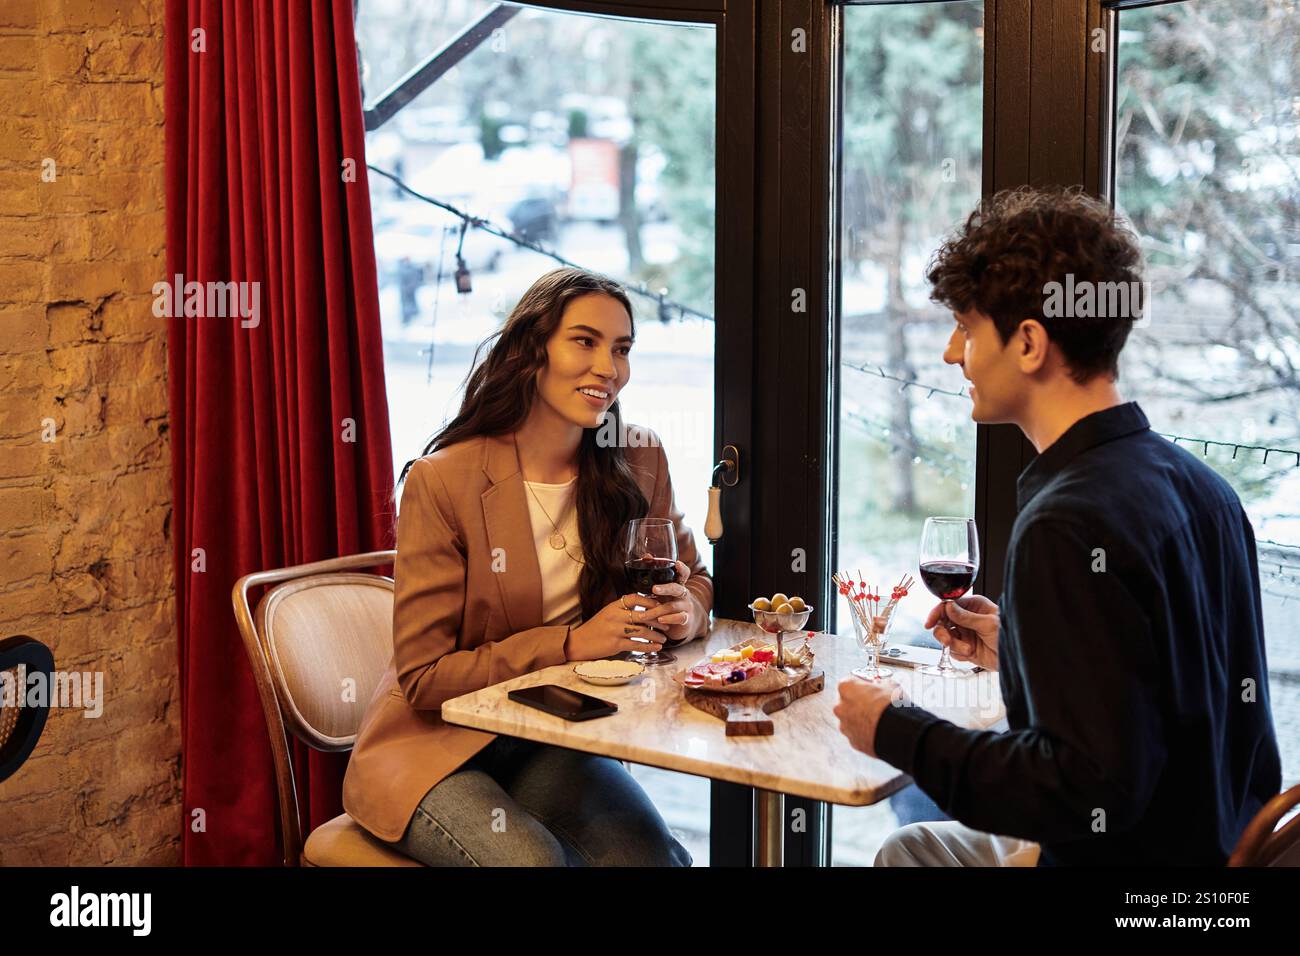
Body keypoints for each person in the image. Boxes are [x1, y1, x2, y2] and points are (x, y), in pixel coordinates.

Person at [833, 186, 1282, 866]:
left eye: (966, 327)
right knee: (916, 846)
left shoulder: (1066, 524)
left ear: (1030, 344)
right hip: (1218, 850)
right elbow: (1171, 692)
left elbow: (1081, 788)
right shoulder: (1204, 489)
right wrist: (1020, 647)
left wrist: (896, 730)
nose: (954, 354)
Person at [343, 268, 712, 866]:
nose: (608, 369)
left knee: (650, 861)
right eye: (585, 341)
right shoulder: (444, 480)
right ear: (532, 350)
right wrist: (572, 644)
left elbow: (694, 574)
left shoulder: (637, 454)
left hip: (555, 736)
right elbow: (424, 677)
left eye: (622, 349)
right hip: (435, 748)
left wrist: (686, 612)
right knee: (534, 862)